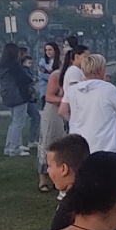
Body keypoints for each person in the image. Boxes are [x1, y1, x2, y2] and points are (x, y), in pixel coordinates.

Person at [62, 53, 116, 158]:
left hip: (80, 144)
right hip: (105, 147)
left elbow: (62, 111)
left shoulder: (73, 89)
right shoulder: (108, 89)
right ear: (100, 70)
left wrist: (77, 123)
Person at [0, 43, 36, 157]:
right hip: (18, 95)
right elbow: (23, 79)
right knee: (18, 123)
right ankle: (14, 149)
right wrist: (31, 80)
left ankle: (9, 147)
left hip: (8, 95)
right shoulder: (14, 66)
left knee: (14, 123)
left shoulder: (2, 66)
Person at [35, 49, 65, 187]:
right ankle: (43, 179)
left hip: (65, 115)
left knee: (63, 147)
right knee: (47, 144)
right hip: (53, 114)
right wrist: (66, 100)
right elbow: (49, 97)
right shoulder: (56, 75)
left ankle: (59, 178)